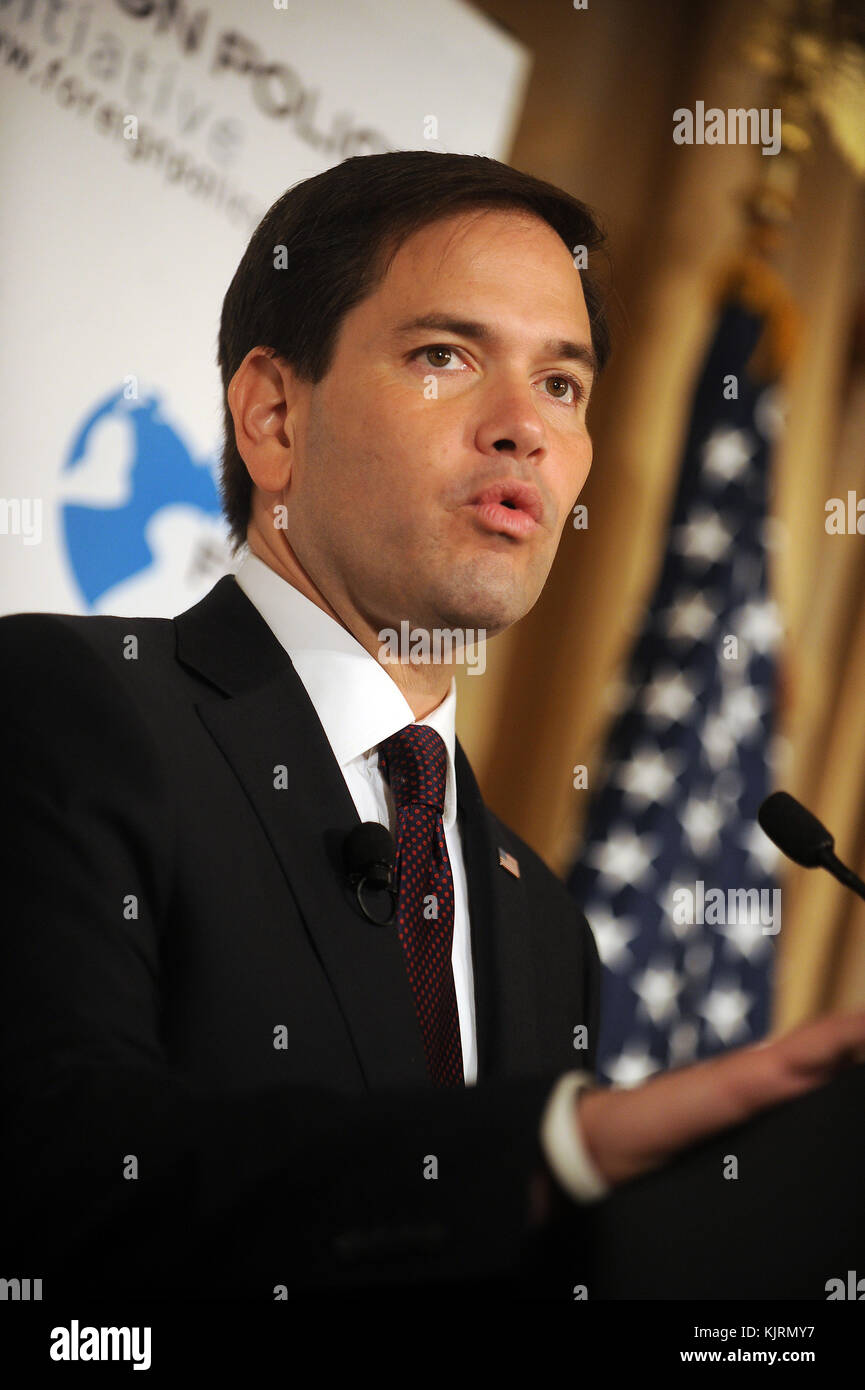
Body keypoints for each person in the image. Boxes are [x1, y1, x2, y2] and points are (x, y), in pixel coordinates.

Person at [2, 151, 864, 1302]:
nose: (524, 429)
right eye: (445, 357)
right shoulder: (67, 703)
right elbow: (58, 1175)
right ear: (271, 416)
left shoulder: (547, 928)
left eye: (563, 384)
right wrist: (554, 1153)